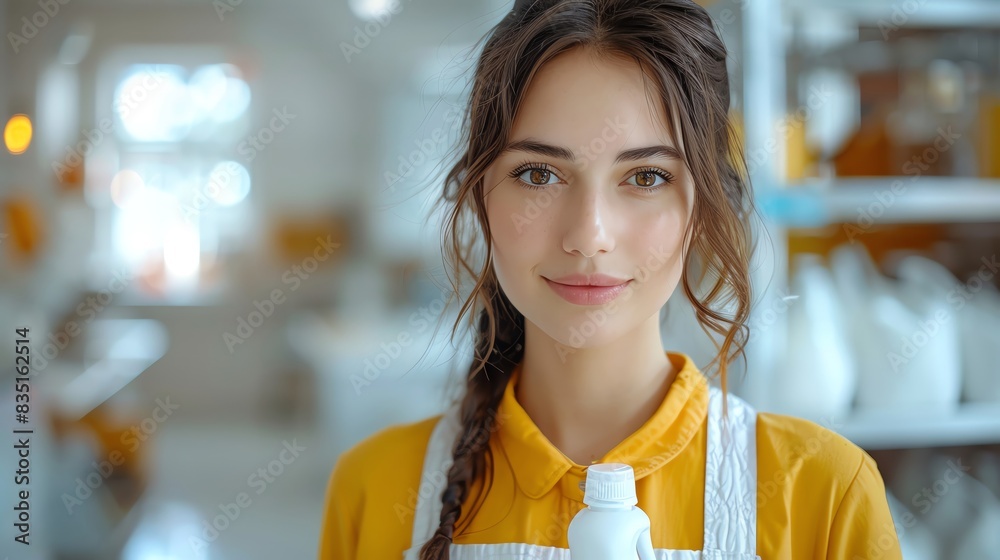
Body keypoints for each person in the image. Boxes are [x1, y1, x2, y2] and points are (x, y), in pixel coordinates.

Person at [319, 0, 903, 558]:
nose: (589, 234)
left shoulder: (825, 493)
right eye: (539, 174)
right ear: (480, 199)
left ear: (702, 209)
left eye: (646, 176)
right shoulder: (374, 488)